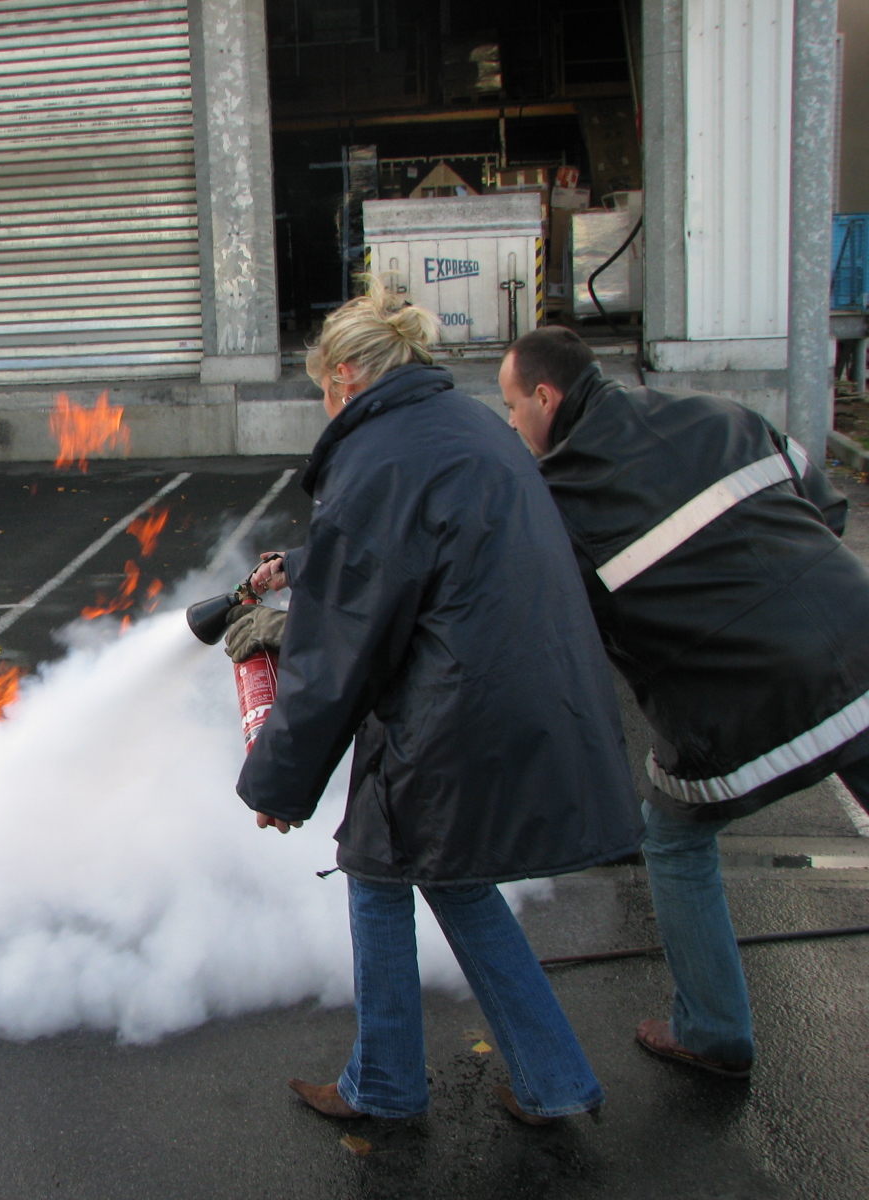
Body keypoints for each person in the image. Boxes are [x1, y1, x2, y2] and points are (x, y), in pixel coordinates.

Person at [228, 282, 643, 1126]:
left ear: (347, 374)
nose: (325, 406)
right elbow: (416, 545)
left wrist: (278, 782)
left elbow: (343, 644)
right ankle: (550, 1079)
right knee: (439, 873)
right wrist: (309, 565)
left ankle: (387, 1084)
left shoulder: (378, 453)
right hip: (518, 685)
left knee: (381, 866)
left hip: (453, 706)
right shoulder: (463, 426)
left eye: (322, 389)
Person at [497, 326, 869, 1079]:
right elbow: (825, 509)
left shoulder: (560, 500)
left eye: (511, 408)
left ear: (546, 397)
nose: (511, 426)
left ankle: (714, 1031)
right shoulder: (716, 411)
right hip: (859, 651)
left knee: (673, 841)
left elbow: (554, 639)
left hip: (738, 710)